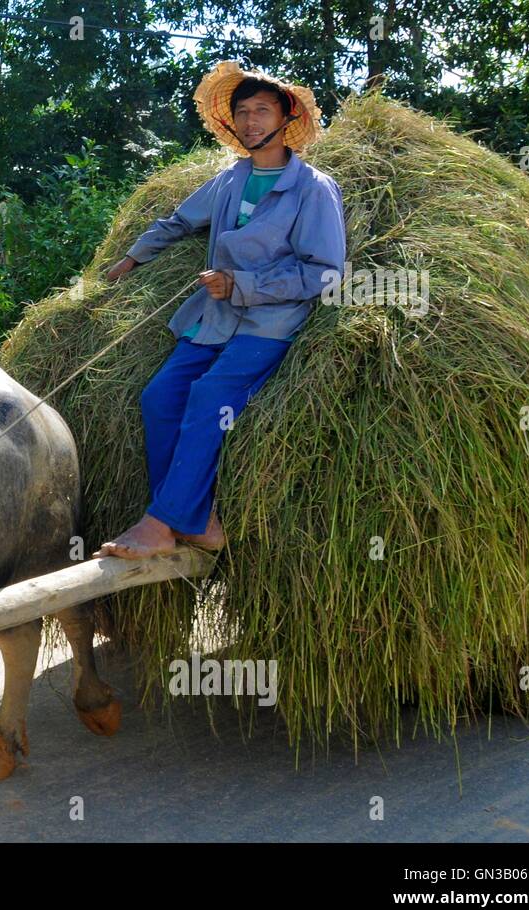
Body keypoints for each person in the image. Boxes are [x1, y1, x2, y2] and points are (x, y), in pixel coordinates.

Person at [93, 61, 346, 560]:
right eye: (242, 113)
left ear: (286, 117)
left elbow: (325, 273)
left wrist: (241, 284)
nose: (251, 121)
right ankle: (197, 519)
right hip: (215, 319)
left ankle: (161, 523)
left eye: (262, 110)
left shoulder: (313, 189)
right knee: (159, 396)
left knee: (210, 398)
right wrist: (131, 257)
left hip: (270, 323)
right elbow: (178, 222)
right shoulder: (230, 181)